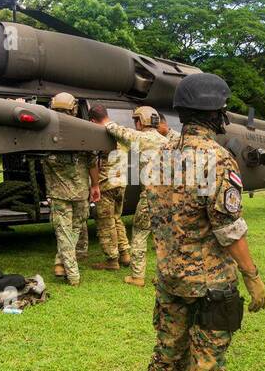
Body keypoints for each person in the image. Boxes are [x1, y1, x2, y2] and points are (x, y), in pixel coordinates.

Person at [146, 72, 265, 371]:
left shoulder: (159, 155)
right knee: (208, 363)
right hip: (210, 283)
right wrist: (251, 275)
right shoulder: (217, 159)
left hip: (170, 276)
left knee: (169, 347)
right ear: (216, 114)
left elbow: (156, 216)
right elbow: (228, 229)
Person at [93, 105, 171, 286]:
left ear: (141, 120)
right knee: (164, 238)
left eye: (136, 119)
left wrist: (105, 121)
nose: (134, 123)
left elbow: (118, 131)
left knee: (139, 235)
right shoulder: (167, 141)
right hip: (169, 198)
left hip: (151, 196)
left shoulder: (140, 138)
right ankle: (165, 276)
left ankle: (137, 276)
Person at [43, 92, 97, 285]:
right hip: (80, 193)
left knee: (64, 232)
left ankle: (60, 262)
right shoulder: (83, 131)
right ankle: (73, 275)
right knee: (73, 230)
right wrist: (96, 185)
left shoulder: (44, 132)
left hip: (58, 194)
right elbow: (92, 162)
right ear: (74, 109)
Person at [87, 105, 131, 270]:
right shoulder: (122, 130)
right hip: (121, 183)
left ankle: (112, 260)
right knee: (116, 219)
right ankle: (125, 253)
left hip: (106, 184)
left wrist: (94, 184)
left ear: (92, 121)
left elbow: (94, 161)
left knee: (105, 222)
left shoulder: (101, 134)